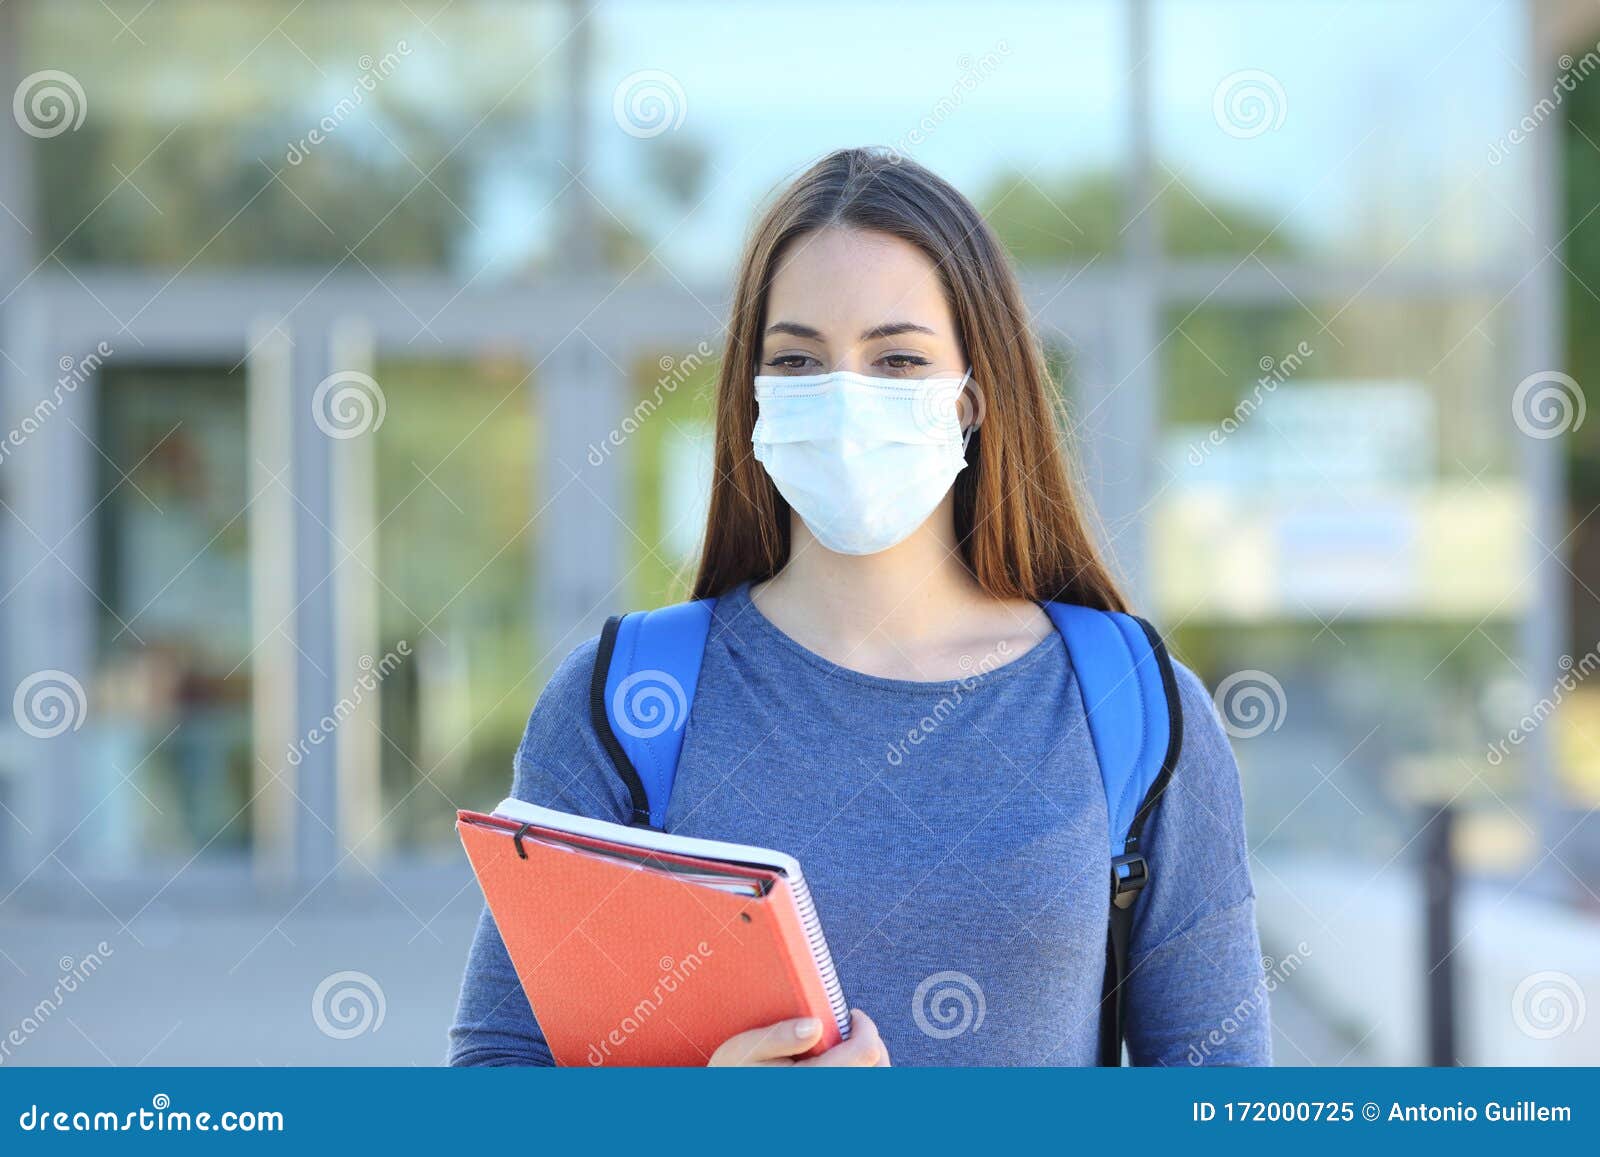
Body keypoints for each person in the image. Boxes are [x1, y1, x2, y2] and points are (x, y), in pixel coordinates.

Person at [448, 147, 1269, 1067]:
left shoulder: (1133, 708)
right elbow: (494, 1078)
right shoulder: (623, 706)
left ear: (972, 399)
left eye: (898, 358)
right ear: (751, 399)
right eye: (797, 359)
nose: (844, 401)